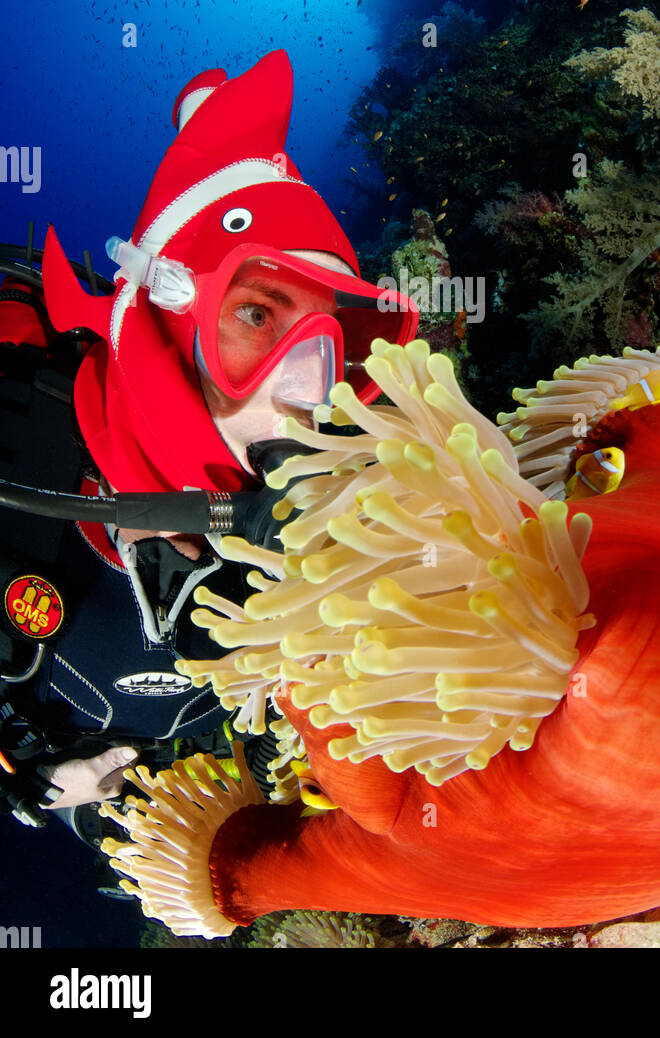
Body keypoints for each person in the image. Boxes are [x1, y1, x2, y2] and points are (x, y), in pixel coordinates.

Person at [0, 49, 417, 841]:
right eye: (256, 316)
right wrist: (26, 778)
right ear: (167, 314)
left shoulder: (348, 520)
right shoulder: (17, 453)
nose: (299, 389)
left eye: (328, 342)